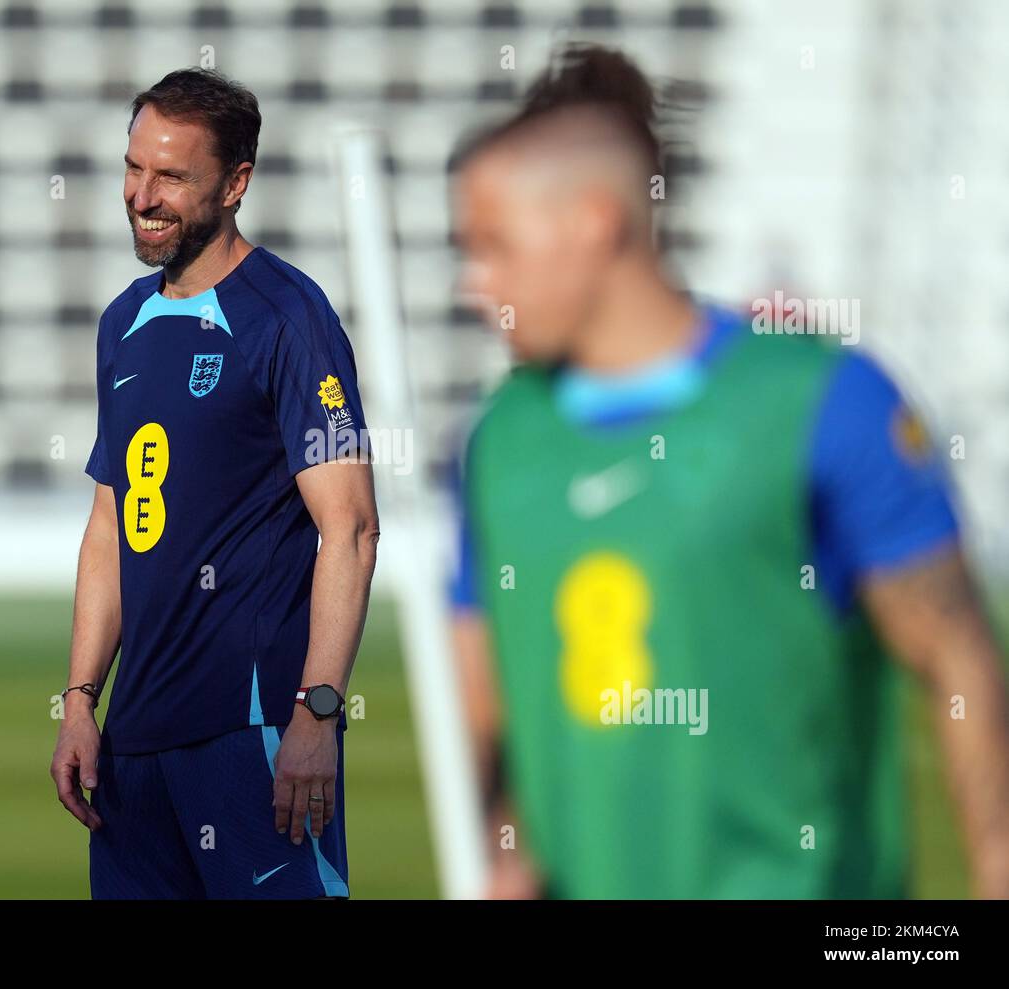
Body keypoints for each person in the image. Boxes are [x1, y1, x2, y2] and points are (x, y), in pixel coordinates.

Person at [448, 43, 1009, 899]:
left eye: (493, 246)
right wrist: (503, 843)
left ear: (593, 221)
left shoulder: (824, 402)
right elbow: (488, 692)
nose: (473, 283)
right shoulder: (502, 442)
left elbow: (960, 657)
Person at [49, 68, 379, 899]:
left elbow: (351, 528)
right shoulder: (123, 322)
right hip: (135, 746)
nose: (141, 195)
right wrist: (82, 700)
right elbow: (110, 527)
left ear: (235, 184)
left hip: (255, 733)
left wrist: (319, 711)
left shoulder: (287, 318)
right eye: (133, 168)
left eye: (170, 176)